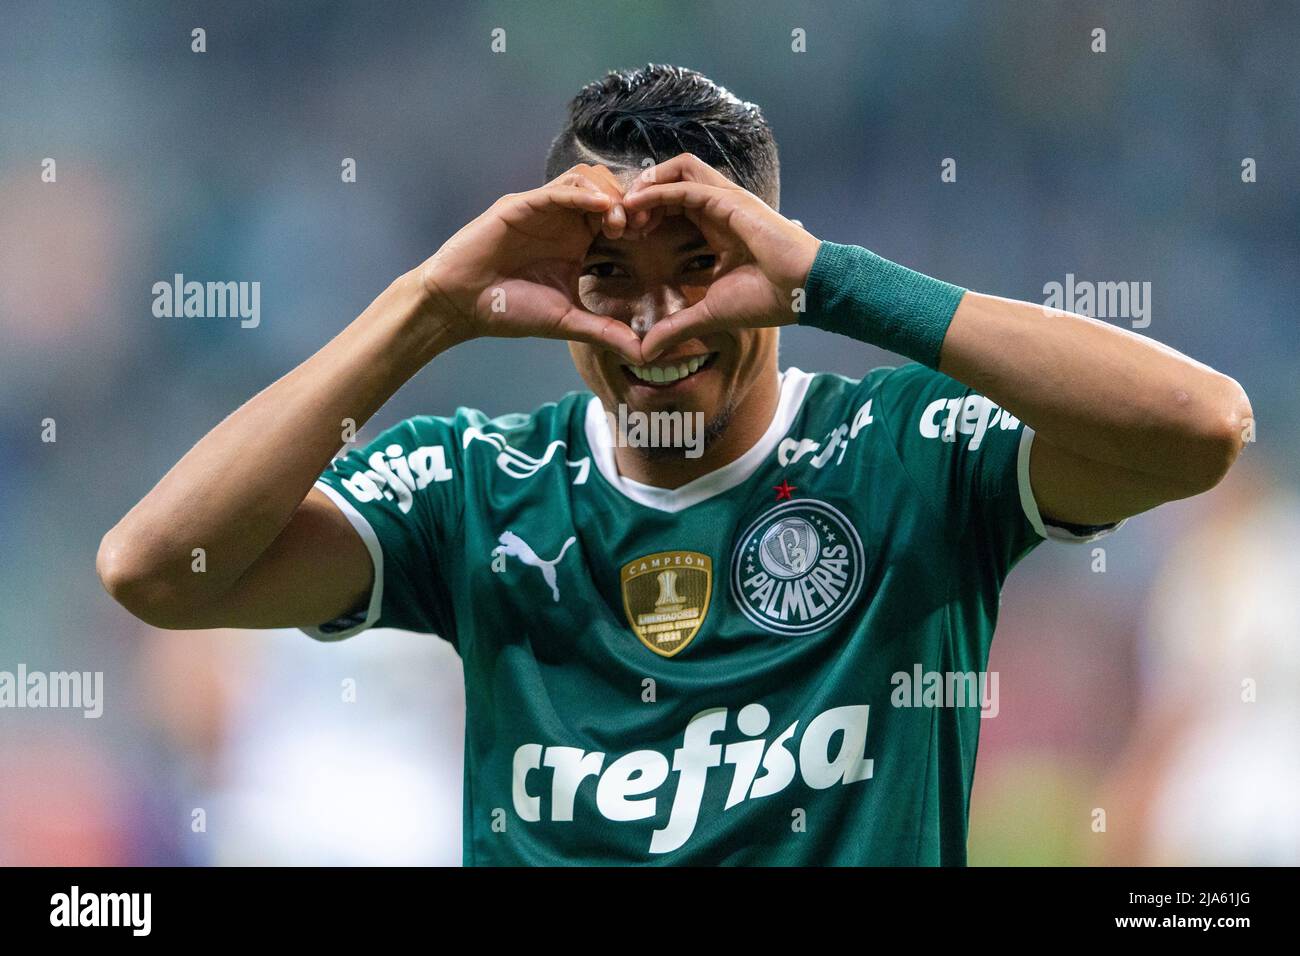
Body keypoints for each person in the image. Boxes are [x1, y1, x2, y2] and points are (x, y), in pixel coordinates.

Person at [97, 64, 1252, 864]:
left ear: (775, 259)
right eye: (608, 277)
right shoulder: (472, 486)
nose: (655, 323)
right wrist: (428, 305)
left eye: (701, 265)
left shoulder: (906, 453)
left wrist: (841, 282)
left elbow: (1200, 426)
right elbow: (157, 568)